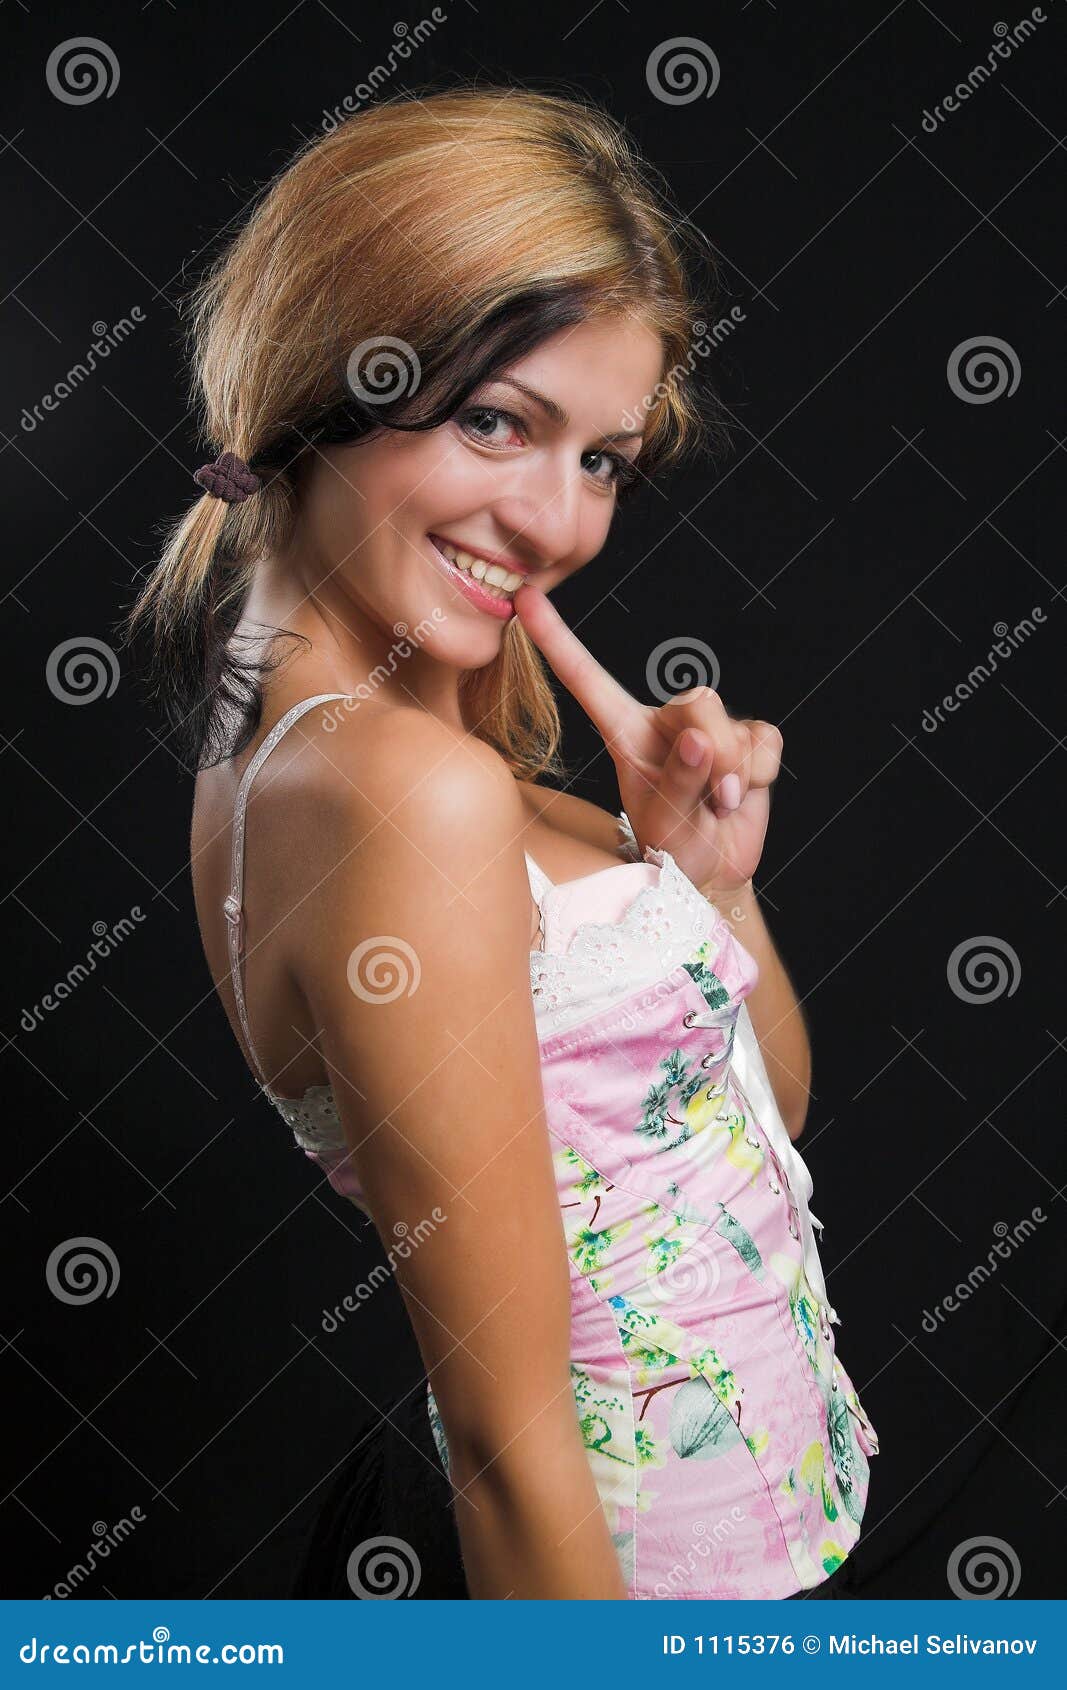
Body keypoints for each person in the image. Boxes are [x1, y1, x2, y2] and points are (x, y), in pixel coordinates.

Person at [124, 84, 879, 1600]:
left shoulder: (369, 741)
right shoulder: (402, 791)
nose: (557, 522)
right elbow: (506, 1438)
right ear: (321, 373)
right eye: (496, 422)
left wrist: (704, 876)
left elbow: (754, 1112)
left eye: (602, 457)